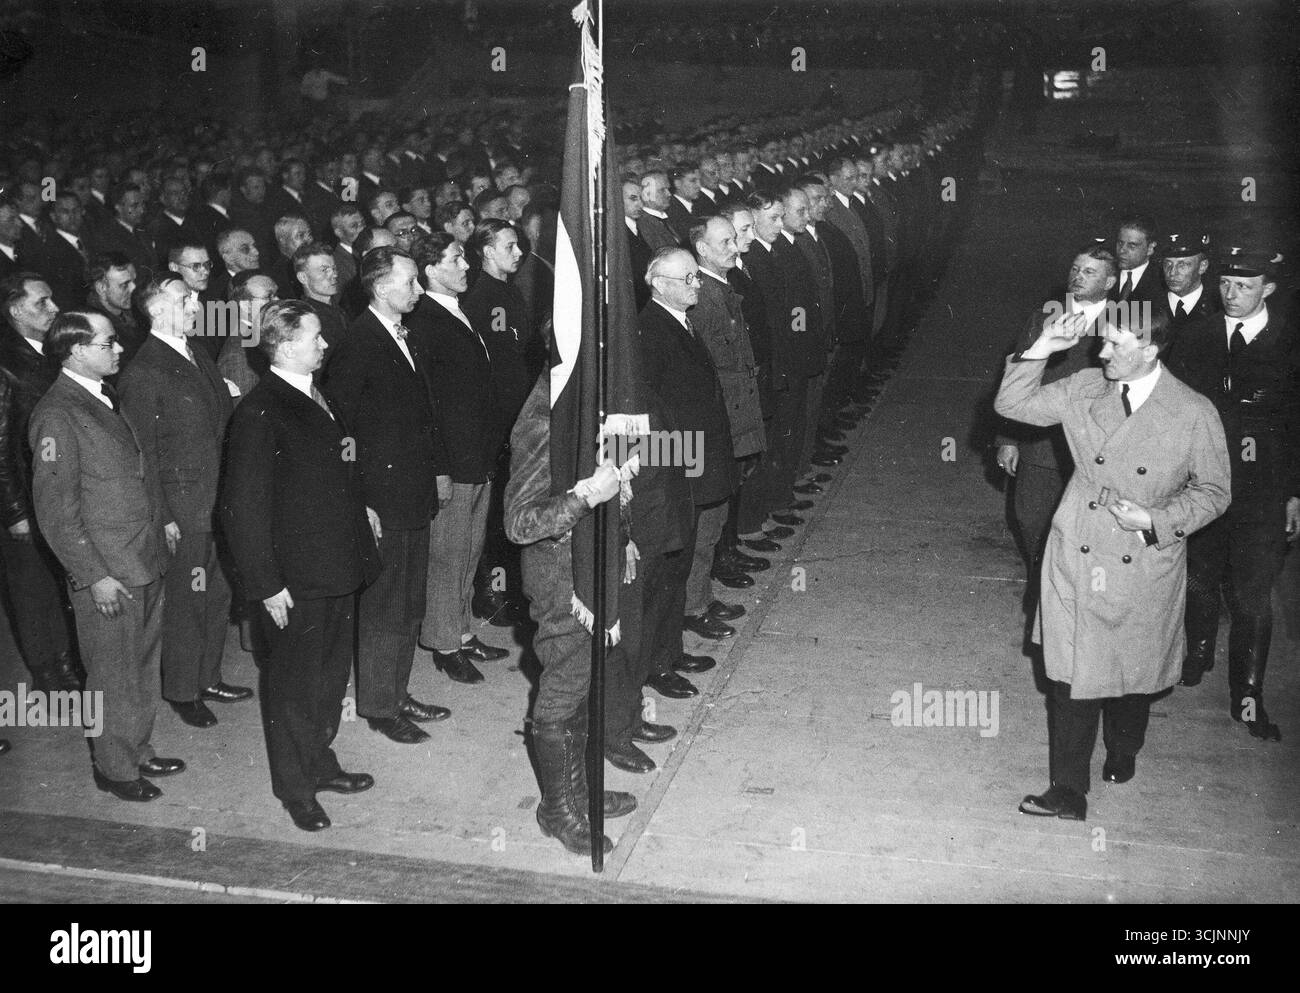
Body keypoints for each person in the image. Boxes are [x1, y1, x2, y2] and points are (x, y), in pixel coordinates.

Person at [995, 308, 1230, 821]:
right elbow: (1012, 404)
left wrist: (1155, 518)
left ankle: (1124, 747)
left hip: (1143, 555)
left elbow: (1215, 492)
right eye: (1103, 343)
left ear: (1150, 350)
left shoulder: (1193, 411)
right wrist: (1042, 348)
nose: (1102, 354)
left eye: (1116, 346)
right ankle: (1068, 788)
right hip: (1078, 541)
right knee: (1073, 673)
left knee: (1130, 675)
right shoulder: (1083, 387)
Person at [222, 299, 380, 832]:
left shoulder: (316, 395)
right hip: (295, 579)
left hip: (336, 566)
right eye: (315, 338)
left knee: (330, 678)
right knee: (293, 685)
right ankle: (295, 788)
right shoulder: (260, 411)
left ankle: (320, 761)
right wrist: (266, 585)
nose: (324, 345)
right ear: (284, 345)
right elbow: (241, 510)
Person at [30, 311, 184, 802]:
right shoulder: (57, 413)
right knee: (112, 672)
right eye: (108, 343)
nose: (118, 350)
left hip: (140, 557)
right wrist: (93, 575)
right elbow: (55, 511)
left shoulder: (99, 396)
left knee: (140, 664)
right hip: (109, 569)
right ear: (75, 350)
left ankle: (137, 749)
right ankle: (115, 768)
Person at [1165, 248, 1299, 741]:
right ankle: (1197, 652)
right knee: (1199, 574)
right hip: (1203, 481)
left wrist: (1294, 494)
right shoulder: (1197, 335)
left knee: (1251, 595)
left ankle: (1247, 695)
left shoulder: (1288, 341)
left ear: (1269, 288)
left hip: (1264, 488)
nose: (1230, 294)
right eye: (1224, 283)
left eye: (1244, 286)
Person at [503, 375, 638, 855]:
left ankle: (578, 792)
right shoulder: (546, 415)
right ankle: (556, 810)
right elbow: (520, 523)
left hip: (590, 569)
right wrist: (584, 499)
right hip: (560, 578)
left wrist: (622, 536)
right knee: (562, 689)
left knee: (580, 684)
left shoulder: (592, 404)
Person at [323, 247, 451, 744]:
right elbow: (345, 433)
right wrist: (362, 501)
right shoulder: (358, 345)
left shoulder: (401, 334)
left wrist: (436, 470)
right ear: (380, 288)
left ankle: (397, 690)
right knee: (384, 605)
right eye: (411, 282)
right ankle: (379, 704)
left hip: (412, 490)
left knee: (409, 600)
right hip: (383, 497)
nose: (418, 291)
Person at [118, 276, 250, 730]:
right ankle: (181, 689)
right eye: (185, 298)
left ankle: (208, 676)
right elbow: (142, 454)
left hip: (216, 500)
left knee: (218, 594)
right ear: (156, 311)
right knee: (187, 600)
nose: (197, 303)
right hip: (184, 508)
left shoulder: (195, 352)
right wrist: (165, 516)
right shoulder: (143, 371)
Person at [639, 248, 738, 692]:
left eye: (697, 277)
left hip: (690, 459)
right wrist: (673, 475)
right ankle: (655, 664)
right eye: (688, 279)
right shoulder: (650, 331)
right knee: (665, 569)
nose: (697, 284)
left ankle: (671, 650)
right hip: (673, 466)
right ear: (658, 283)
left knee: (679, 567)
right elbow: (645, 414)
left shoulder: (679, 320)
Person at [407, 233, 503, 683]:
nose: (465, 264)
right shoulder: (424, 320)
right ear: (429, 271)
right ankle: (445, 643)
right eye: (455, 258)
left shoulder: (456, 311)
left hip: (476, 454)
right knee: (447, 555)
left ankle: (463, 632)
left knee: (469, 549)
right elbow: (424, 406)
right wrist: (439, 468)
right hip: (454, 460)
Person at [995, 245, 1113, 597]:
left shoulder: (1125, 320)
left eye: (1089, 272)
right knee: (1030, 518)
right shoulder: (1045, 317)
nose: (1078, 276)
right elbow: (1018, 374)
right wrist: (1007, 439)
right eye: (1075, 269)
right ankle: (1044, 583)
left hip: (1095, 446)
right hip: (1042, 441)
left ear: (1109, 281)